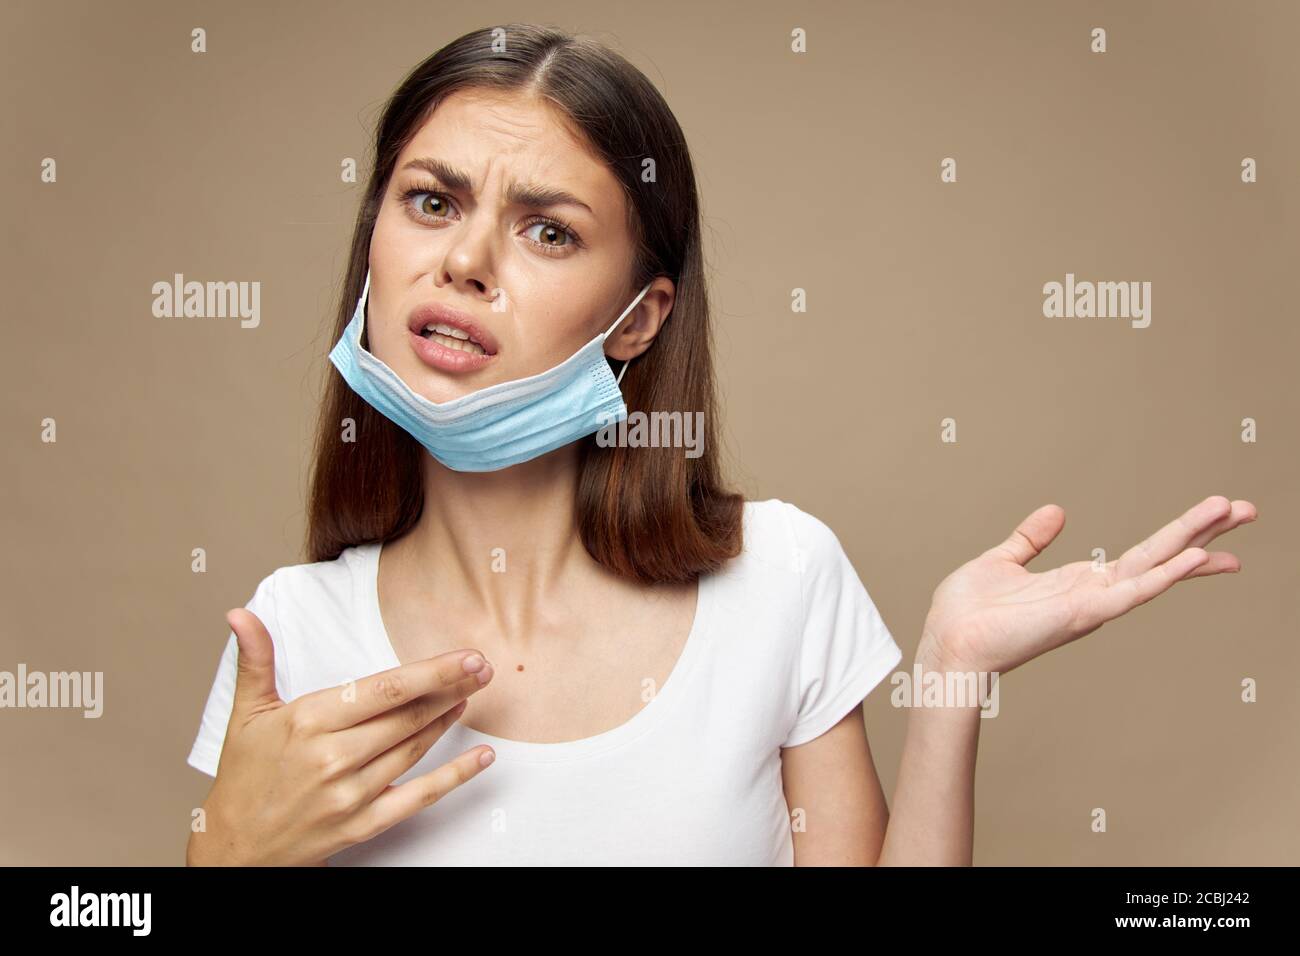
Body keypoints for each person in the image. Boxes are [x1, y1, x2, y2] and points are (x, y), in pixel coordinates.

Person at [184, 23, 1256, 866]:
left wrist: (949, 676)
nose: (463, 260)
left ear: (640, 320)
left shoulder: (778, 577)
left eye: (547, 229)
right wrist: (224, 860)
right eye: (430, 200)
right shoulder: (289, 638)